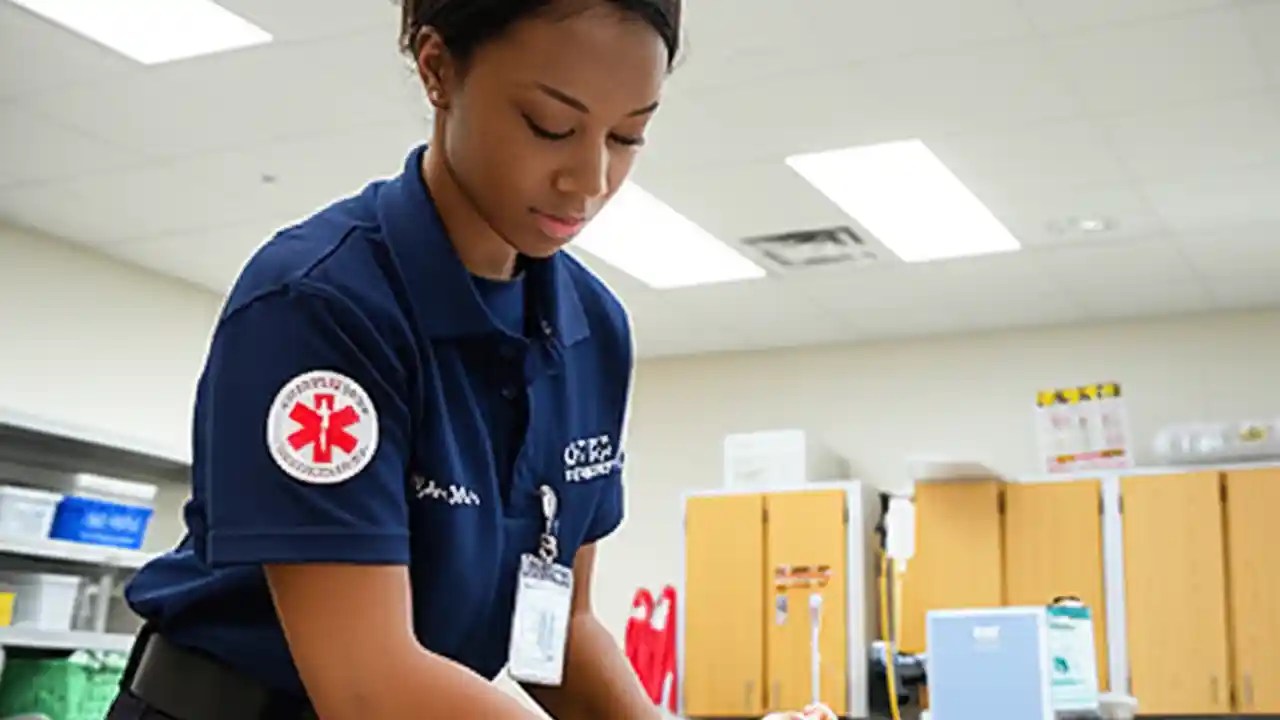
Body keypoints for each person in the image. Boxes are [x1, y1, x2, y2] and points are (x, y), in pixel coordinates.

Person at [105, 1, 827, 718]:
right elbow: (367, 685)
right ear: (438, 69)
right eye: (551, 126)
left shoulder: (592, 330)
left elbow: (559, 630)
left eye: (629, 135)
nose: (591, 177)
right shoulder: (321, 305)